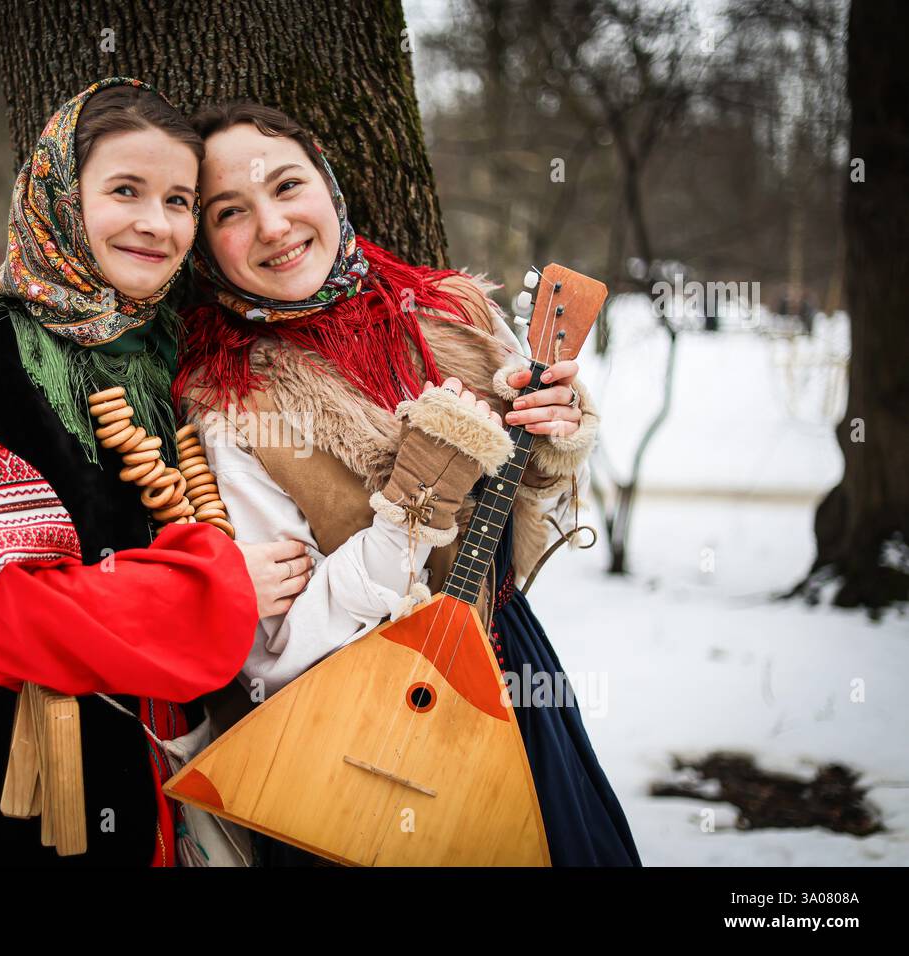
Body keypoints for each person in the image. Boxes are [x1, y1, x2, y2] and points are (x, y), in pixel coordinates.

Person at [171, 101, 642, 867]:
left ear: (327, 181)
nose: (273, 225)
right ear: (204, 244)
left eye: (288, 186)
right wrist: (411, 510)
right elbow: (277, 651)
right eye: (231, 210)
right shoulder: (233, 398)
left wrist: (553, 430)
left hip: (506, 677)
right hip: (354, 737)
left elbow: (534, 506)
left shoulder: (448, 311)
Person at [0, 79, 309, 867]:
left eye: (180, 200)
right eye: (124, 191)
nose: (156, 222)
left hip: (180, 769)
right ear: (58, 198)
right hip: (9, 781)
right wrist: (219, 586)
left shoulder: (189, 351)